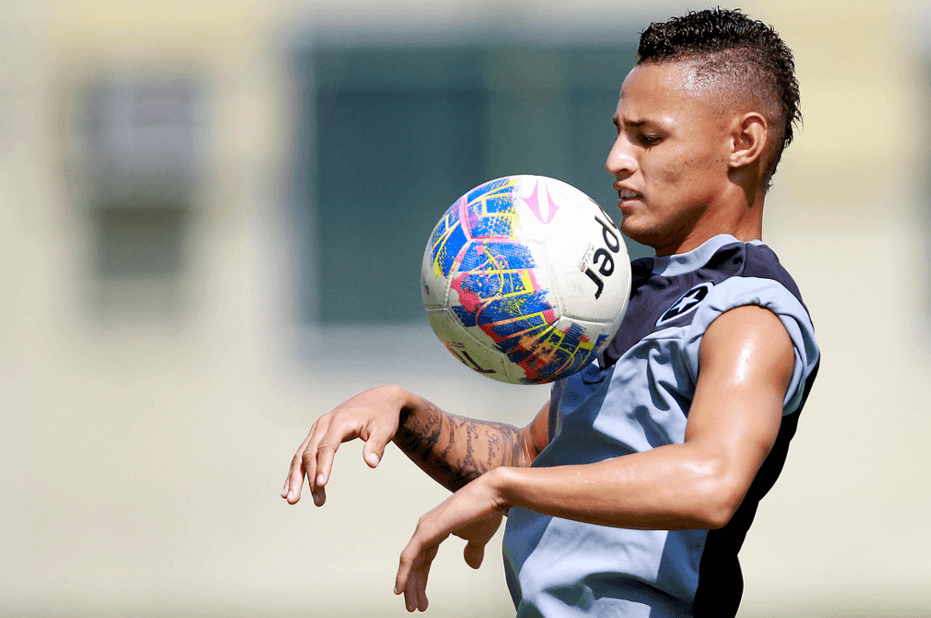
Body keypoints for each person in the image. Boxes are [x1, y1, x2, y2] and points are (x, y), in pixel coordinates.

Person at [281, 8, 820, 617]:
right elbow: (532, 459)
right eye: (618, 132)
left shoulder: (749, 311)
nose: (616, 160)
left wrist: (510, 489)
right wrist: (405, 410)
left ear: (742, 143)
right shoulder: (620, 298)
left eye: (648, 137)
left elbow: (712, 479)